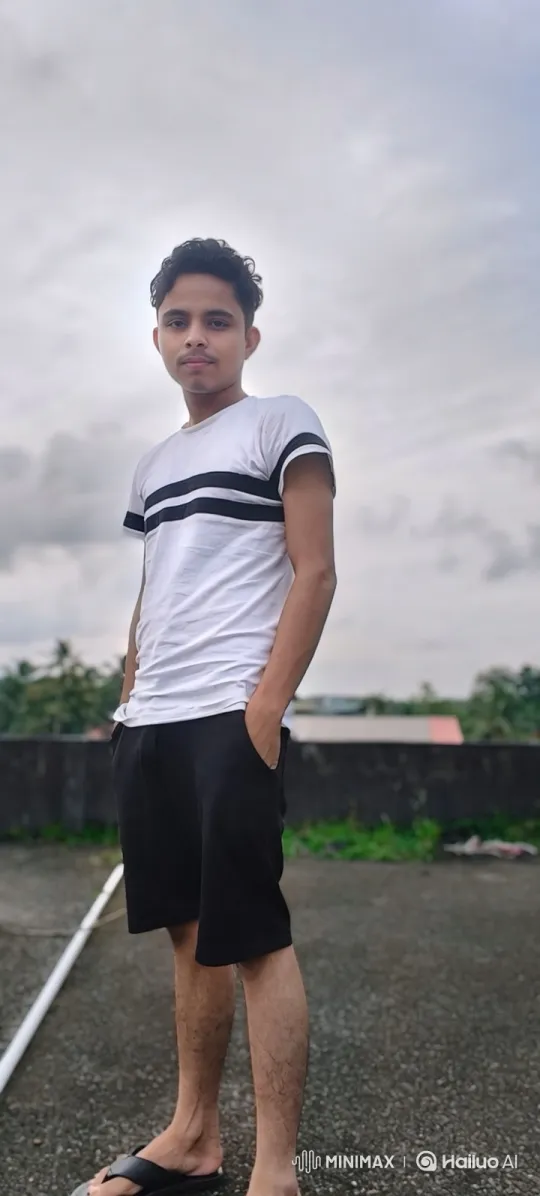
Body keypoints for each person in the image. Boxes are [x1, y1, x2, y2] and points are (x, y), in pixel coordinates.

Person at [84, 238, 336, 1196]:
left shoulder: (281, 421)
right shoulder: (154, 465)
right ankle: (193, 1137)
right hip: (150, 721)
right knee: (187, 934)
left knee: (255, 938)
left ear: (249, 337)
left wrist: (264, 712)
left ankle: (276, 1171)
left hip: (230, 713)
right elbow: (156, 589)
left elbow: (316, 571)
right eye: (178, 321)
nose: (198, 337)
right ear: (157, 337)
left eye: (217, 321)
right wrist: (128, 696)